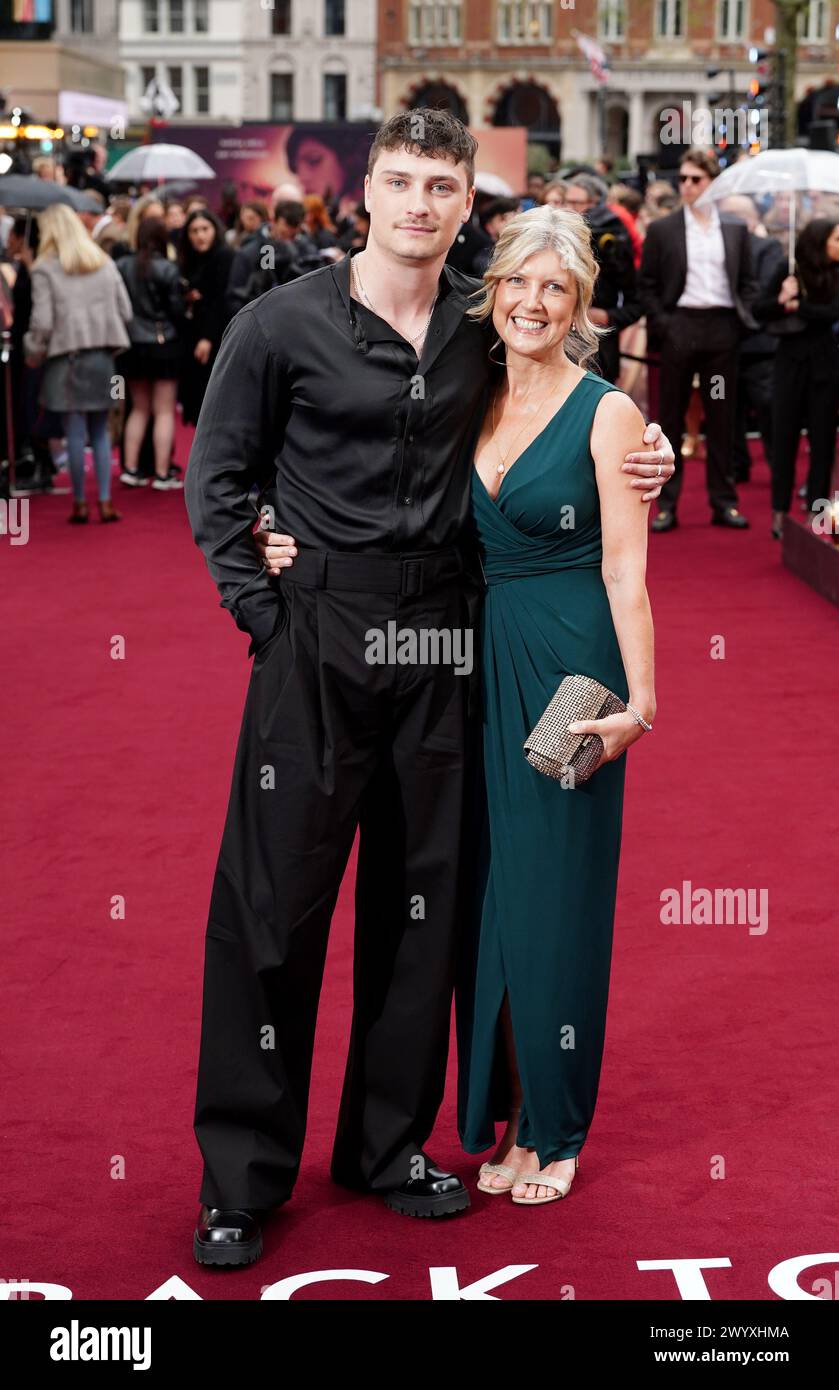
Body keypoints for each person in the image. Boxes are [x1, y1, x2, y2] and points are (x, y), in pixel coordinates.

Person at [185, 108, 675, 1268]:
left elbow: (568, 384)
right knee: (272, 910)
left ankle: (389, 1143)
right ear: (365, 191)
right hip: (316, 634)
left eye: (439, 187)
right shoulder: (278, 323)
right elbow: (217, 482)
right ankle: (242, 1174)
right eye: (398, 182)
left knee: (423, 909)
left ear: (467, 201)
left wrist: (642, 449)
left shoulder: (476, 319)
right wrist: (270, 609)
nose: (417, 203)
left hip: (447, 640)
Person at [458, 207, 654, 1203]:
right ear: (492, 290)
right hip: (477, 666)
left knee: (556, 894)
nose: (532, 303)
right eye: (518, 283)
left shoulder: (608, 410)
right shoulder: (469, 393)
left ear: (578, 306)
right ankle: (509, 1113)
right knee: (490, 894)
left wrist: (640, 704)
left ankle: (556, 1125)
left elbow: (625, 570)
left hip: (571, 667)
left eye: (555, 289)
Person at [638, 147, 758, 531]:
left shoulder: (735, 230)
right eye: (683, 179)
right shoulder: (663, 229)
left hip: (722, 330)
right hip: (680, 330)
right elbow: (648, 286)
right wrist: (665, 324)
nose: (687, 185)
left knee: (721, 416)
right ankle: (666, 507)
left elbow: (749, 283)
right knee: (669, 417)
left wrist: (741, 321)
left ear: (712, 184)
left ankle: (724, 503)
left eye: (695, 179)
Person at [22, 203, 132, 523]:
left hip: (65, 360)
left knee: (74, 431)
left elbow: (42, 322)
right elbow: (125, 311)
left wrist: (32, 350)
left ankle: (80, 502)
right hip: (102, 358)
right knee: (100, 430)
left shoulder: (45, 268)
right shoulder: (103, 262)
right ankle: (106, 502)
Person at [752, 218, 839, 538]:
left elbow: (831, 312)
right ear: (818, 242)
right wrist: (781, 299)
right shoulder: (790, 270)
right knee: (784, 436)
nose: (838, 245)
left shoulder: (835, 273)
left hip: (826, 365)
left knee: (822, 440)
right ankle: (779, 512)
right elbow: (759, 310)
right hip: (789, 362)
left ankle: (817, 510)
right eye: (835, 239)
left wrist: (797, 305)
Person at [719, 195, 784, 487]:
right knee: (729, 413)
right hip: (726, 345)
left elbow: (763, 294)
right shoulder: (718, 249)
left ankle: (778, 465)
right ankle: (736, 467)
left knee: (768, 409)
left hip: (760, 345)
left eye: (730, 215)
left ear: (748, 218)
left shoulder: (767, 247)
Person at [117, 216, 185, 489]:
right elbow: (176, 311)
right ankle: (162, 473)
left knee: (139, 409)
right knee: (164, 411)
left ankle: (131, 469)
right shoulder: (167, 269)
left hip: (132, 345)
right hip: (162, 343)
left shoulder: (122, 266)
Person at [563, 174, 641, 383]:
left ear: (595, 204)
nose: (569, 208)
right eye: (566, 201)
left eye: (576, 203)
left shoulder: (612, 239)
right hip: (557, 349)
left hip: (598, 353)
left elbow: (636, 303)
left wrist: (606, 316)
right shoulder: (556, 238)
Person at [177, 208, 234, 428]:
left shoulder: (224, 255)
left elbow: (221, 299)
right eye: (194, 231)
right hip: (193, 332)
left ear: (214, 230)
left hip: (216, 335)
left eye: (205, 229)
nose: (200, 235)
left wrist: (208, 338)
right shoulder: (189, 259)